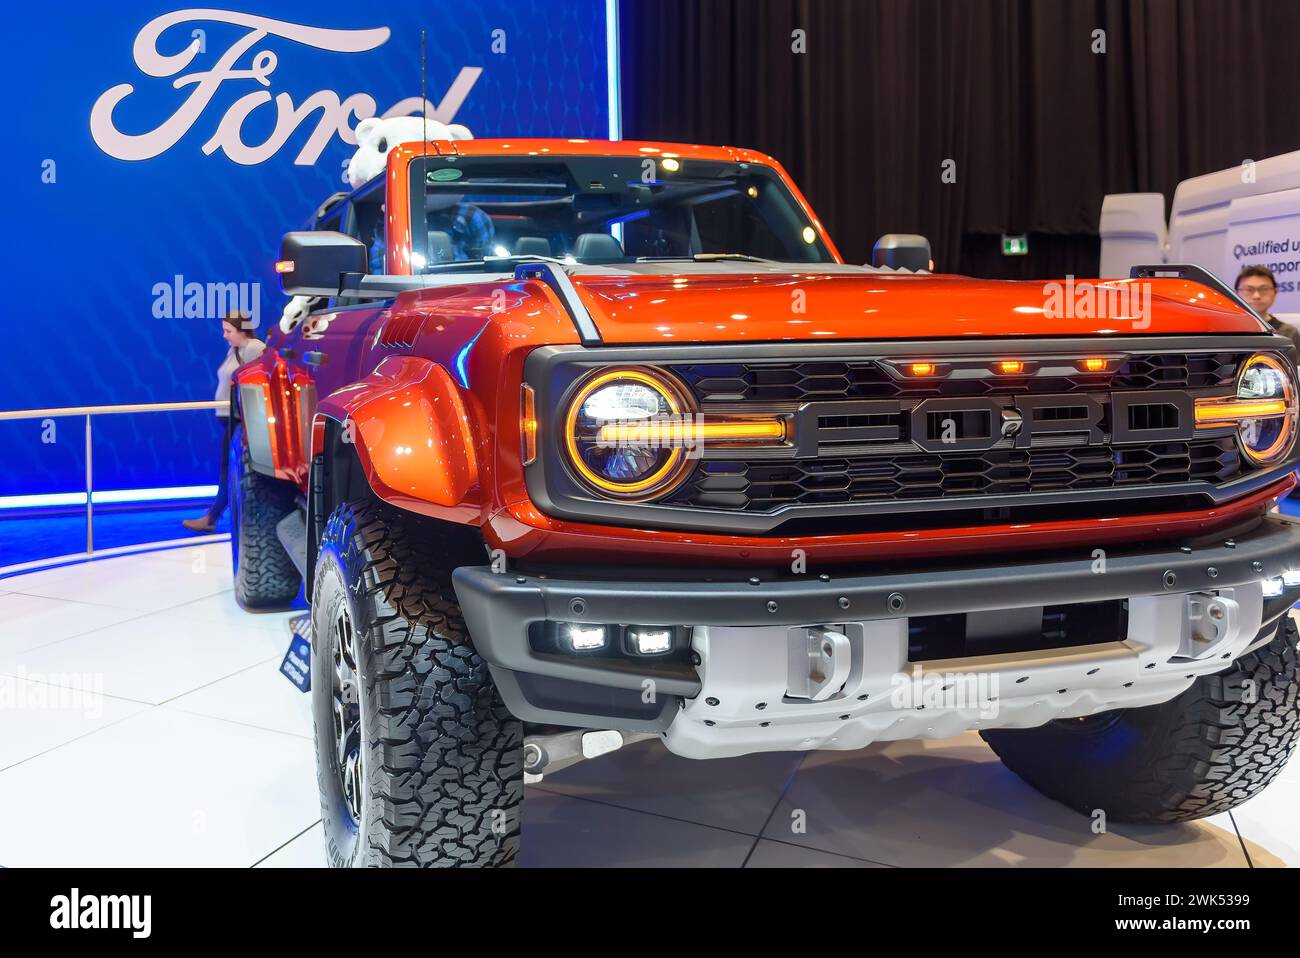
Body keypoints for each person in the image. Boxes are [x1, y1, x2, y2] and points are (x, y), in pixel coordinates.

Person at [182, 312, 266, 533]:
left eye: (228, 331)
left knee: (230, 470)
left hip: (241, 422)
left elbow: (261, 383)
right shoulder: (235, 350)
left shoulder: (254, 348)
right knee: (228, 469)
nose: (224, 335)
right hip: (231, 422)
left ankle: (213, 516)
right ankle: (216, 516)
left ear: (242, 330)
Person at [1235, 265, 1300, 350]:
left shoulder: (1288, 332)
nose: (1256, 296)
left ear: (1275, 292)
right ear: (1236, 293)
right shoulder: (1225, 329)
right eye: (1249, 289)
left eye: (1264, 289)